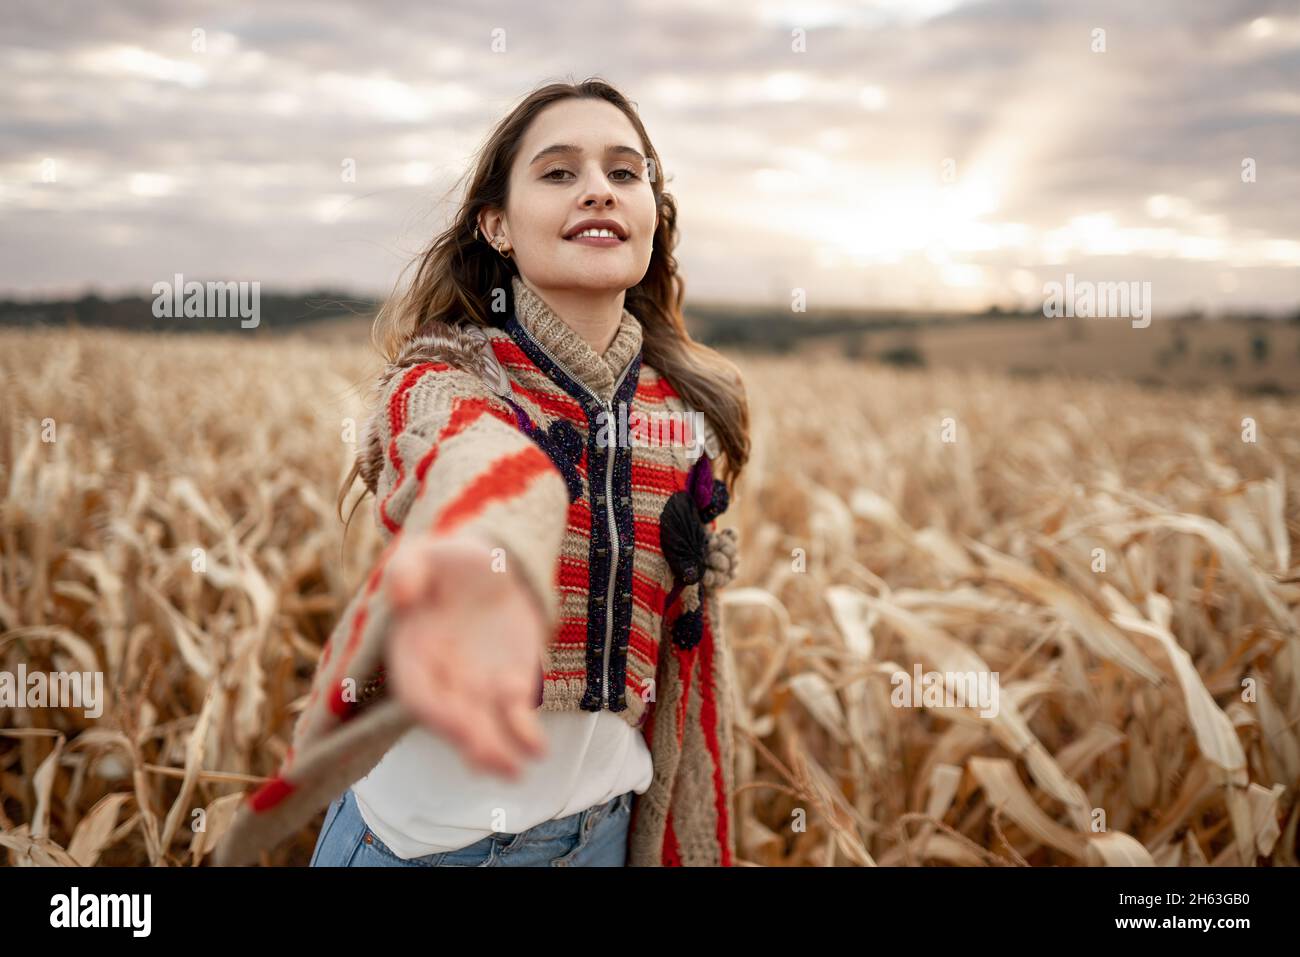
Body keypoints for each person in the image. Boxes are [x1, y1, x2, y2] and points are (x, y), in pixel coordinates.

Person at [214, 77, 750, 868]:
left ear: (650, 216)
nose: (599, 190)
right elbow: (476, 460)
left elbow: (678, 649)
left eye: (624, 172)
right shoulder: (443, 382)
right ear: (497, 225)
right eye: (559, 172)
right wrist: (493, 543)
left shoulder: (679, 417)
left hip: (601, 836)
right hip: (427, 850)